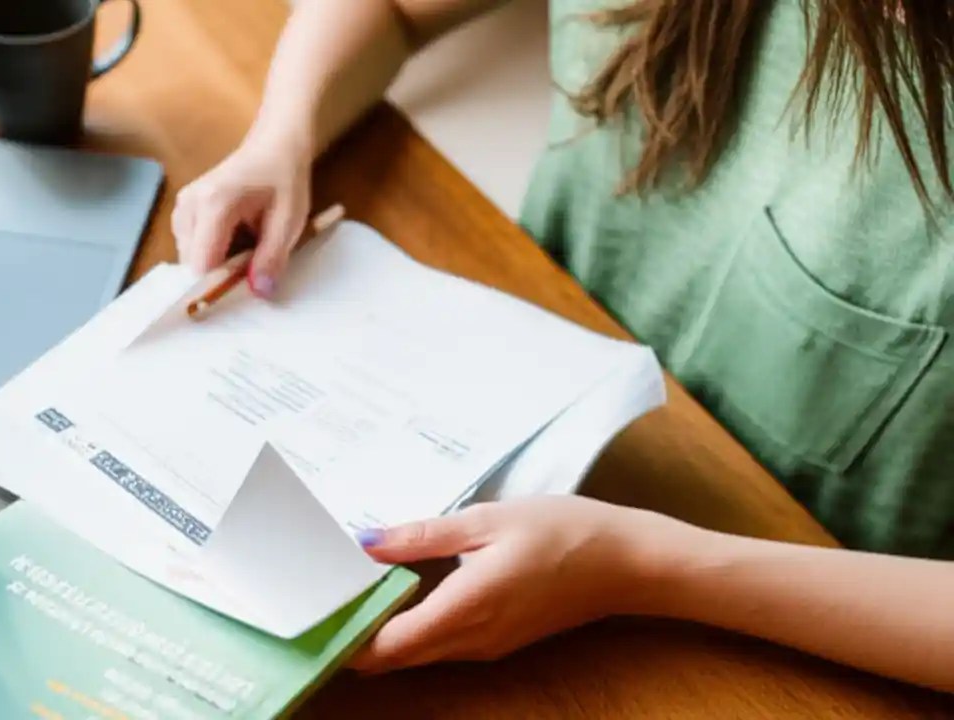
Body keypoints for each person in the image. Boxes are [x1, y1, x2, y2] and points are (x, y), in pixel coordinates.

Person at [171, 0, 954, 689]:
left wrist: (649, 568)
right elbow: (393, 9)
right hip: (506, 452)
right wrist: (281, 138)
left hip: (786, 634)